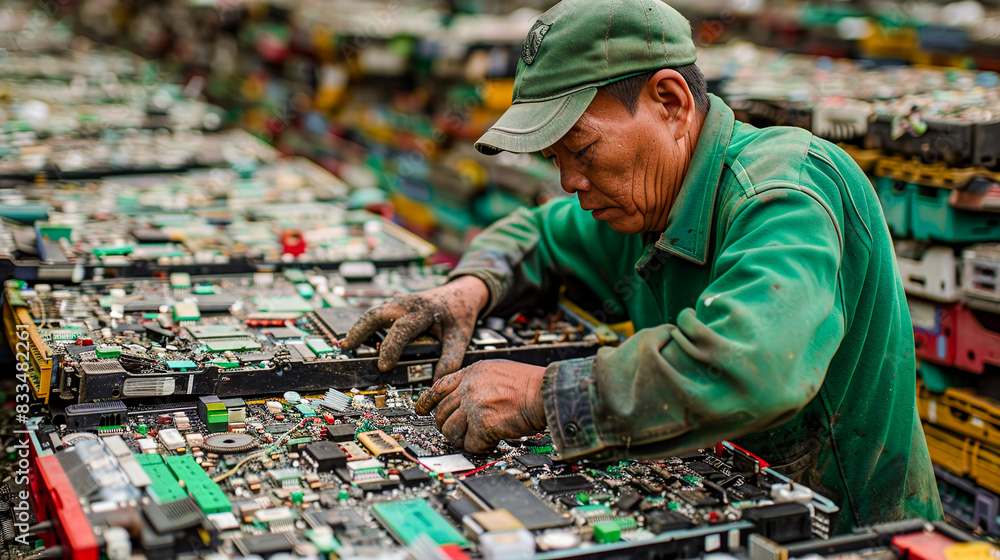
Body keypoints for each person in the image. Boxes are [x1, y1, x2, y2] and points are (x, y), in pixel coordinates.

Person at [344, 0, 942, 533]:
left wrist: (545, 396)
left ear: (671, 102)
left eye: (580, 149)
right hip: (723, 505)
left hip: (851, 534)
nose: (570, 182)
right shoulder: (646, 201)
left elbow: (755, 366)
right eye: (555, 158)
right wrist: (467, 290)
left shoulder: (784, 189)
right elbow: (537, 232)